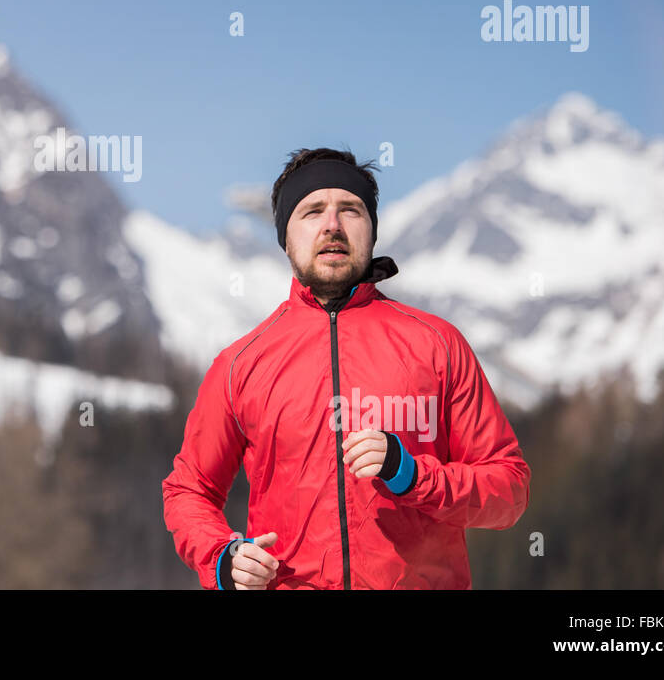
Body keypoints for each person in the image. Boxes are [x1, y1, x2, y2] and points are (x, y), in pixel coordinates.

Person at [161, 147, 530, 589]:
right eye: (312, 211)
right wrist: (222, 557)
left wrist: (412, 474)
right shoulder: (240, 364)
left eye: (350, 210)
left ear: (371, 230)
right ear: (286, 237)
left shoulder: (438, 345)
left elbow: (509, 490)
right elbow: (189, 490)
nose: (332, 225)